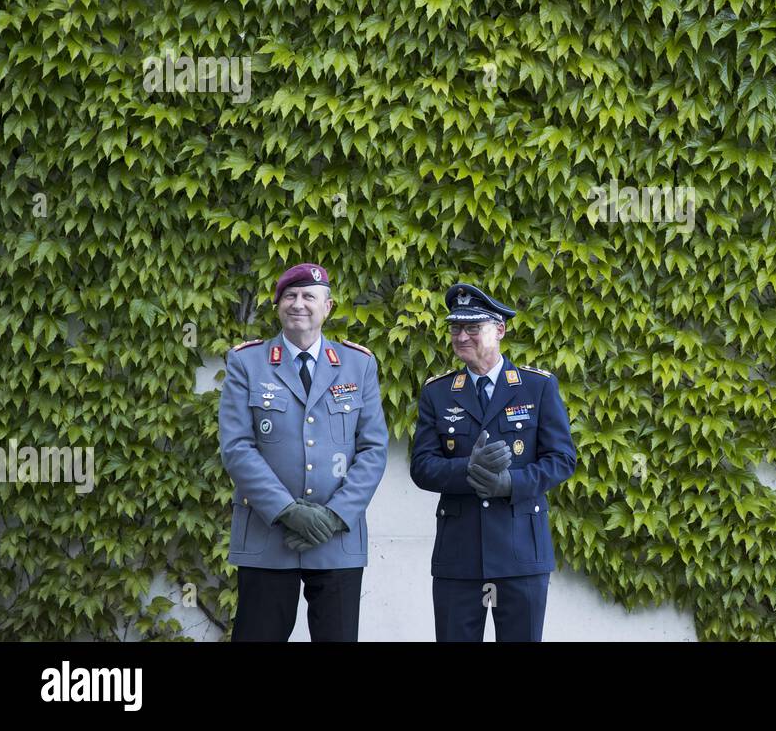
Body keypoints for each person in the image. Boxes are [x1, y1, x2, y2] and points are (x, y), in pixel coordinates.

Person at [218, 262, 387, 641]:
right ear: (277, 305)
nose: (298, 304)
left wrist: (334, 515)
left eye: (309, 296)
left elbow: (373, 449)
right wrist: (287, 511)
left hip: (337, 539)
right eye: (289, 296)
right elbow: (237, 447)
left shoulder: (358, 365)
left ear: (327, 307)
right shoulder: (247, 362)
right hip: (267, 536)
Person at [411, 282, 576, 641]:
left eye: (473, 328)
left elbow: (562, 458)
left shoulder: (537, 387)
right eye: (456, 328)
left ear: (499, 330)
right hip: (460, 555)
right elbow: (422, 466)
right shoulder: (438, 392)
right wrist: (468, 471)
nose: (462, 336)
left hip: (520, 553)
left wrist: (511, 484)